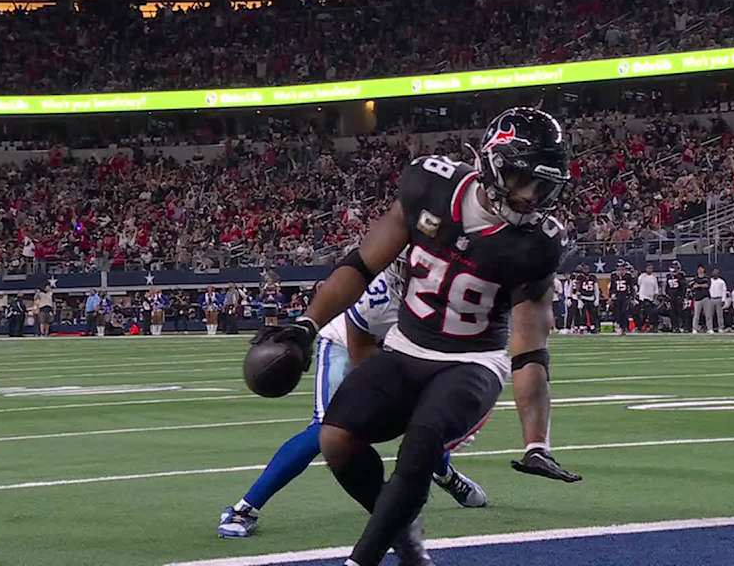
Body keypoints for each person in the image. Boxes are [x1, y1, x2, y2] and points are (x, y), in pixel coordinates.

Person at [258, 107, 581, 566]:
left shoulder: (541, 243)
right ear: (493, 162)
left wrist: (536, 442)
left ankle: (361, 559)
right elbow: (361, 264)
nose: (532, 195)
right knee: (335, 438)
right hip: (408, 346)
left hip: (472, 360)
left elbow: (529, 348)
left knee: (421, 444)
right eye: (522, 178)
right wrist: (308, 324)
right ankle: (405, 535)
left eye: (543, 185)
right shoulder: (430, 184)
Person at [218, 254, 488, 539]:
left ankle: (444, 474)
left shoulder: (452, 291)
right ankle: (244, 508)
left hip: (395, 352)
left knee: (430, 421)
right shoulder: (377, 294)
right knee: (325, 428)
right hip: (345, 346)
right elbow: (361, 350)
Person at [608, 260, 634, 334]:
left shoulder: (628, 276)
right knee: (617, 312)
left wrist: (632, 297)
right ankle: (618, 325)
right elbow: (612, 287)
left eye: (622, 269)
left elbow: (631, 287)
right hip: (617, 296)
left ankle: (624, 327)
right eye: (619, 269)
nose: (621, 271)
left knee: (624, 312)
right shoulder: (614, 276)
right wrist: (610, 297)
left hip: (625, 296)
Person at [572, 263, 599, 334]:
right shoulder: (580, 277)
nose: (586, 270)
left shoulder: (593, 277)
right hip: (583, 297)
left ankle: (593, 327)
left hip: (591, 297)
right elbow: (577, 287)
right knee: (583, 314)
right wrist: (579, 299)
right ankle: (582, 327)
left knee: (592, 314)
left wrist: (597, 299)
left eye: (587, 268)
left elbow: (596, 289)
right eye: (584, 268)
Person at [662, 261, 687, 332]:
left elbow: (683, 286)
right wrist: (667, 295)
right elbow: (667, 287)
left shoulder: (681, 276)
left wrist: (682, 296)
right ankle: (674, 327)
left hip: (678, 297)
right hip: (671, 297)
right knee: (672, 313)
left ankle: (682, 327)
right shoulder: (669, 276)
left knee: (680, 312)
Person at [636, 262, 660, 332]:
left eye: (651, 268)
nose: (650, 270)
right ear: (646, 269)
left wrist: (655, 299)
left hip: (651, 299)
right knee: (642, 313)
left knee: (653, 313)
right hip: (642, 298)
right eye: (649, 268)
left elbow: (656, 290)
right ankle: (640, 327)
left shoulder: (654, 278)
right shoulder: (642, 276)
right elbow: (638, 285)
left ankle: (652, 326)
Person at [689, 264, 712, 333]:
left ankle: (709, 328)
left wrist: (699, 285)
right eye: (699, 269)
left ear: (703, 269)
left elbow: (707, 285)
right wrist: (694, 286)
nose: (700, 270)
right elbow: (692, 286)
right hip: (697, 298)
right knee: (696, 315)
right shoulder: (695, 278)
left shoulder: (707, 277)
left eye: (701, 268)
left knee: (708, 314)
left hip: (706, 297)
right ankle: (694, 328)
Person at [707, 267, 727, 333]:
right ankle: (710, 328)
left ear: (718, 274)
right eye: (714, 273)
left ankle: (721, 328)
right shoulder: (710, 281)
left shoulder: (721, 282)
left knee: (720, 315)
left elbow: (724, 291)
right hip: (711, 299)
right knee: (710, 315)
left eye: (717, 273)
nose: (715, 274)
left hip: (719, 299)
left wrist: (723, 300)